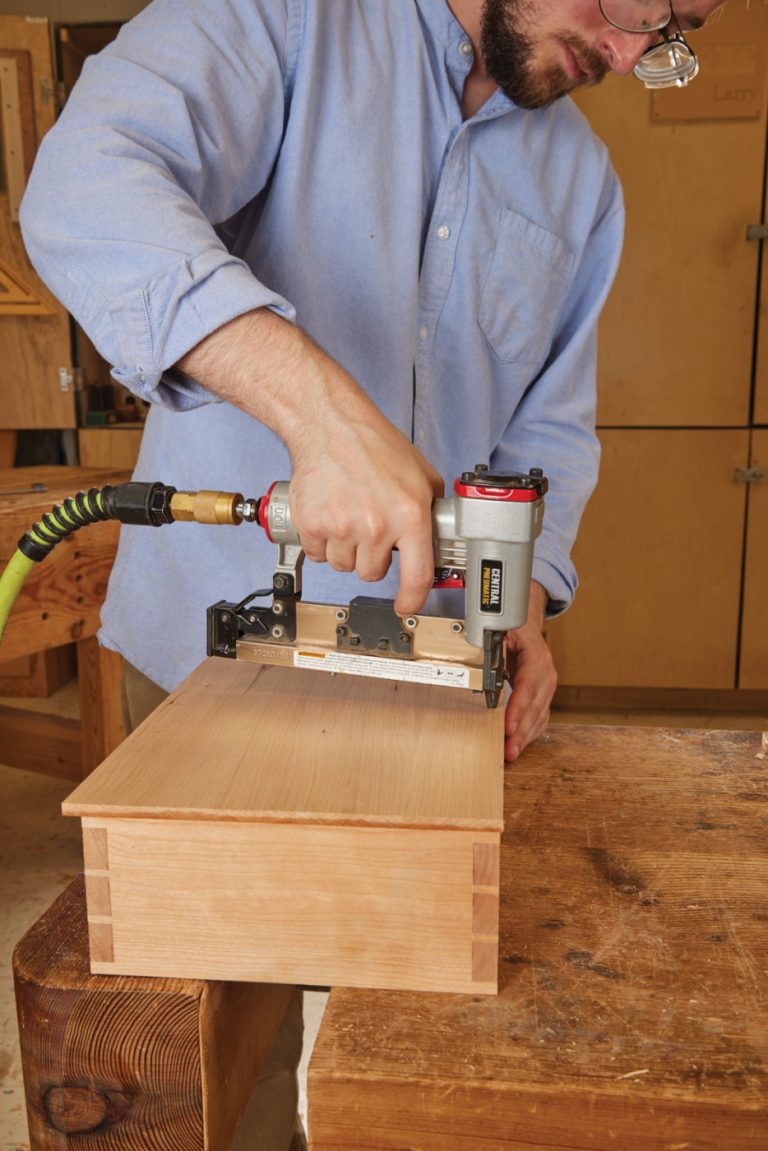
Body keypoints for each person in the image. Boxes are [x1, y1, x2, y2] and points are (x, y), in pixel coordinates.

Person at [19, 1, 724, 1146]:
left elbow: (545, 440)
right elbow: (87, 179)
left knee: (402, 1057)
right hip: (210, 664)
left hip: (435, 686)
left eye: (674, 33)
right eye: (633, 8)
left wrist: (525, 609)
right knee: (205, 1064)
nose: (632, 54)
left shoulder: (581, 183)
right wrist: (320, 414)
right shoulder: (287, 17)